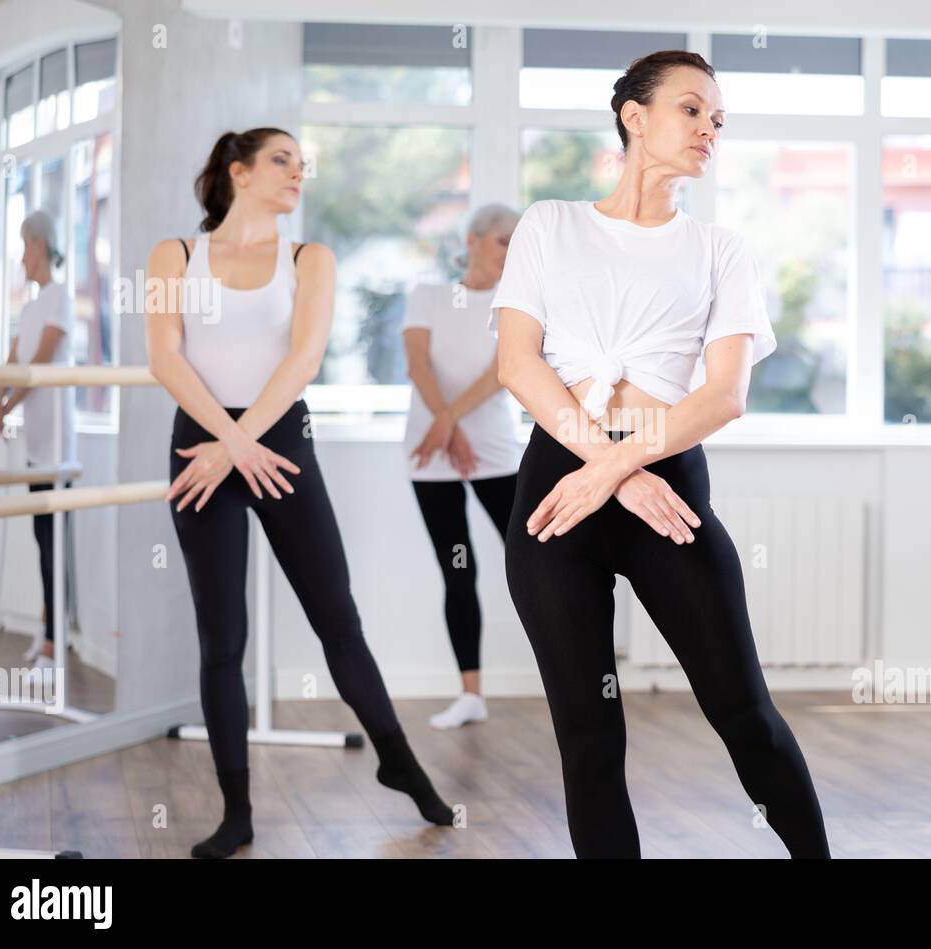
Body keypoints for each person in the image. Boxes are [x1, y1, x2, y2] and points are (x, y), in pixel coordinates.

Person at [491, 51, 831, 858]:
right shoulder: (551, 224)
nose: (709, 128)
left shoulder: (721, 249)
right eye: (691, 109)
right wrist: (601, 465)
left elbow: (723, 396)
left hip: (666, 492)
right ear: (633, 117)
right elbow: (518, 365)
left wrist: (616, 469)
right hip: (556, 492)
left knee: (745, 713)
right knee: (588, 736)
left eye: (718, 118)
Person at [145, 127, 455, 858]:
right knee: (223, 639)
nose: (298, 174)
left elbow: (305, 355)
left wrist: (241, 444)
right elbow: (163, 354)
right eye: (282, 160)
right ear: (239, 171)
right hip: (201, 448)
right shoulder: (174, 256)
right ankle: (237, 811)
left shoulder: (311, 258)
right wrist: (225, 443)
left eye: (302, 164)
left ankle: (397, 759)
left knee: (337, 620)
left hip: (279, 444)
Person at [403, 204, 522, 730]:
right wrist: (445, 429)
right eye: (502, 240)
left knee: (534, 562)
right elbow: (417, 363)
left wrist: (449, 421)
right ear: (472, 240)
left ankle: (578, 680)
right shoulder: (429, 295)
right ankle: (471, 694)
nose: (510, 251)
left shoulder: (516, 302)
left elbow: (505, 371)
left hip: (490, 448)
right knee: (459, 570)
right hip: (431, 453)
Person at [0, 209, 76, 687]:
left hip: (59, 446)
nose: (21, 255)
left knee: (53, 544)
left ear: (38, 243)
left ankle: (56, 644)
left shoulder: (60, 297)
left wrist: (8, 407)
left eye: (23, 244)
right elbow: (12, 362)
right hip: (37, 445)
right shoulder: (32, 306)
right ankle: (47, 628)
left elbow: (39, 365)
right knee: (42, 541)